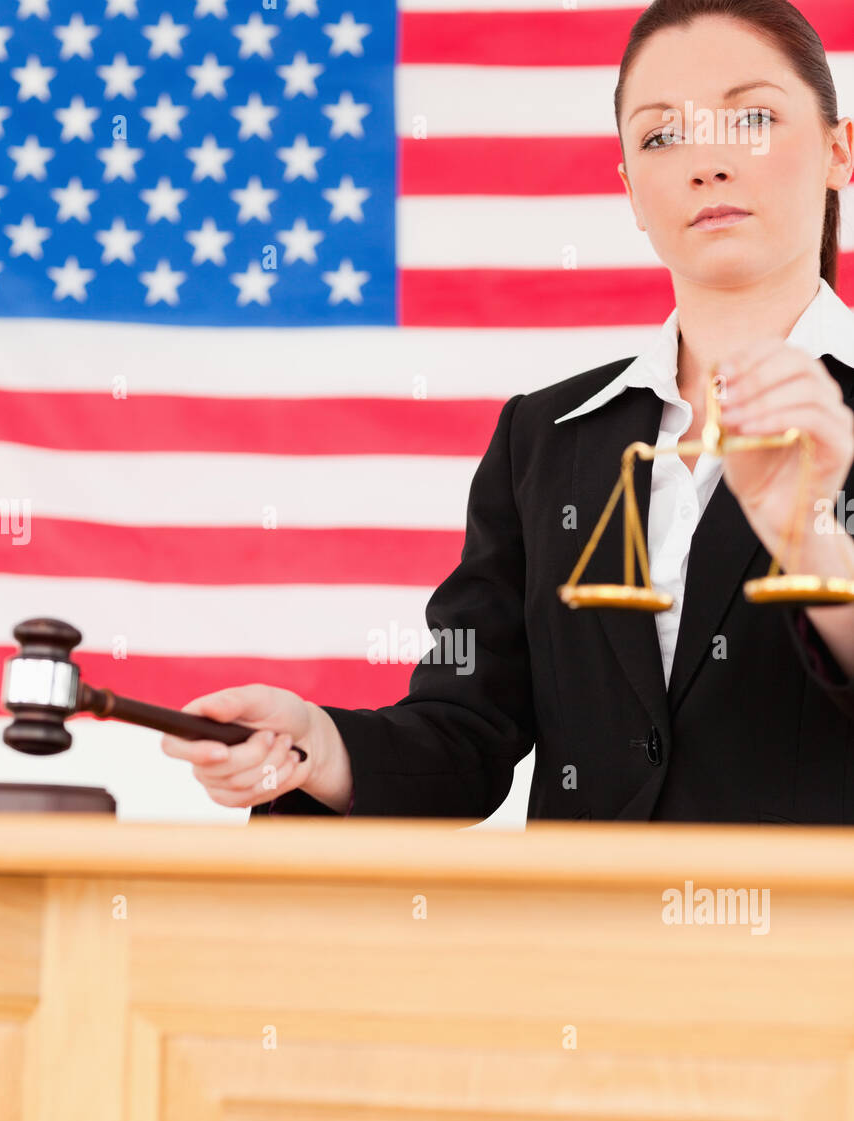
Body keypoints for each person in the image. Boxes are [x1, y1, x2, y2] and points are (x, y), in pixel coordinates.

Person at [161, 0, 854, 825]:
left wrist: (817, 548)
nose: (706, 162)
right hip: (576, 941)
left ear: (838, 152)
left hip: (818, 940)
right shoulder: (546, 438)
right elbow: (467, 730)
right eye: (662, 135)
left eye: (750, 118)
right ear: (632, 192)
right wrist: (322, 746)